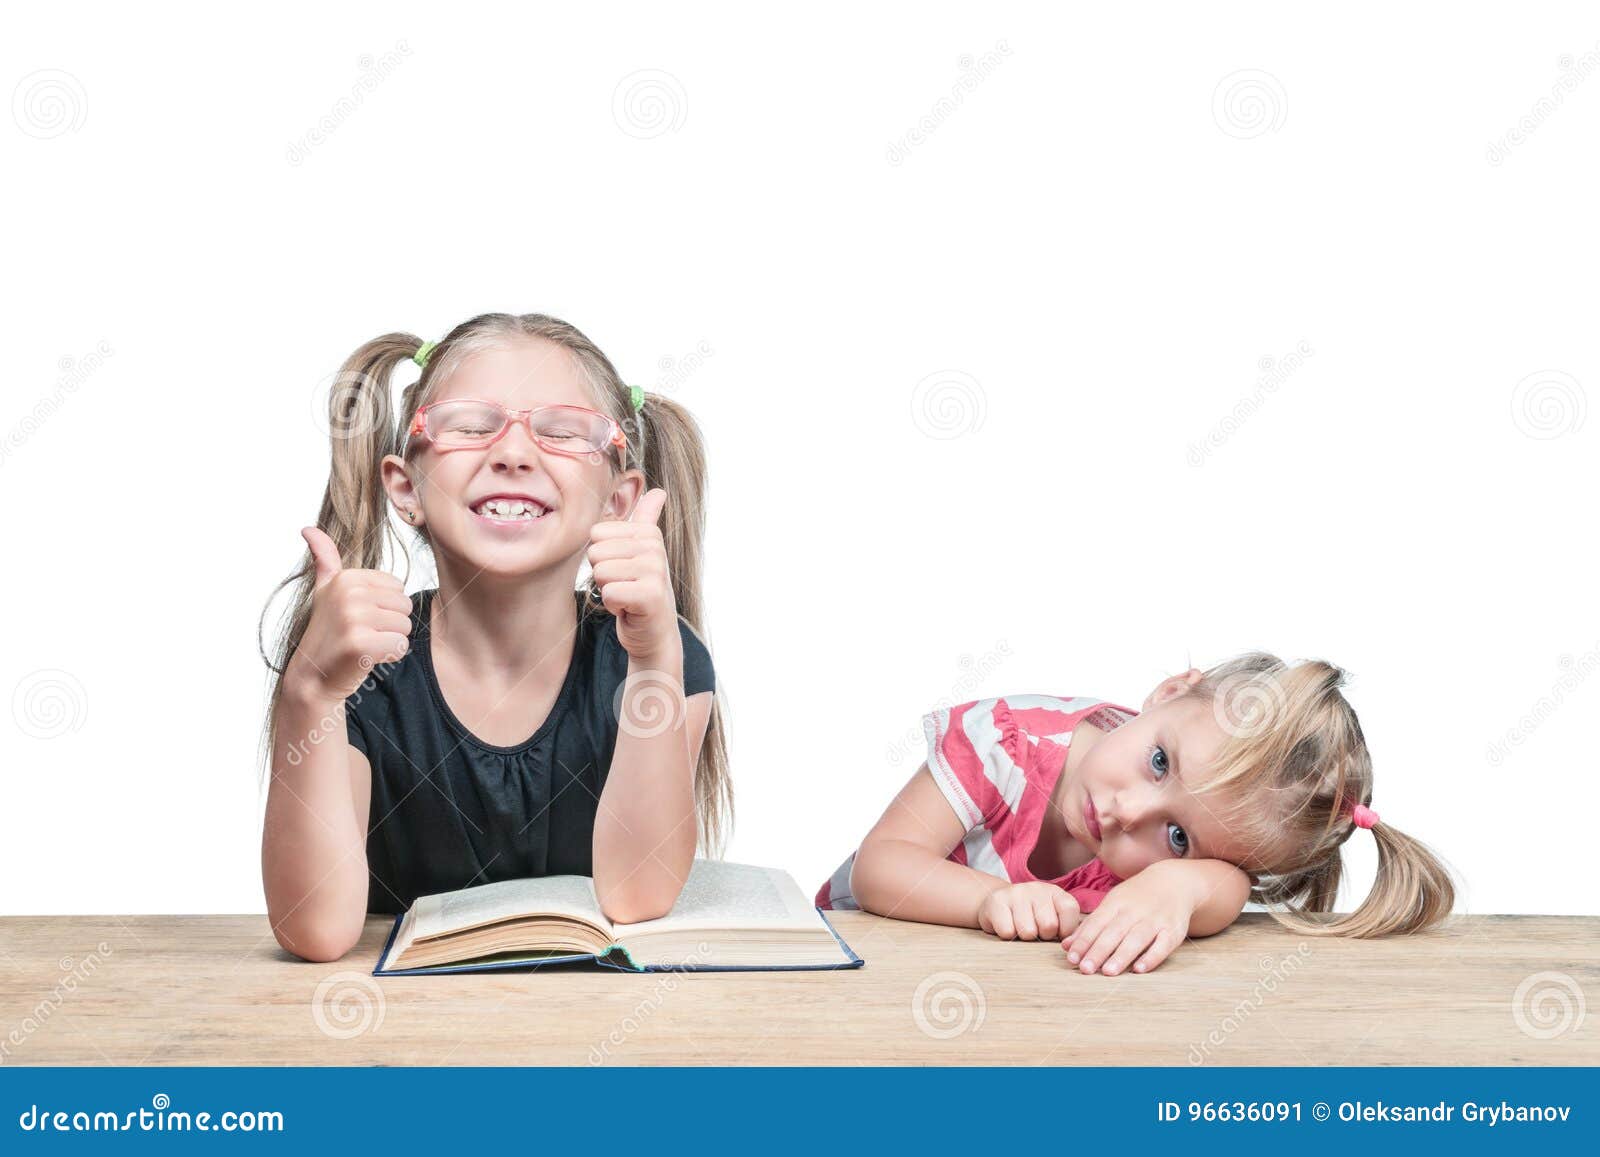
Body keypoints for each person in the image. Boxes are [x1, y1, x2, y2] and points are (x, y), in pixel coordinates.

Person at [258, 312, 729, 962]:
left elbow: (637, 895)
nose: (512, 452)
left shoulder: (662, 659)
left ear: (617, 501)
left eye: (562, 431)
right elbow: (316, 930)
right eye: (471, 426)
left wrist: (654, 662)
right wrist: (307, 691)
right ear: (404, 487)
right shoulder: (358, 668)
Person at [823, 653, 1457, 975]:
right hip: (847, 966)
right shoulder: (1005, 743)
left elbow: (1225, 890)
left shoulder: (1178, 868)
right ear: (1170, 693)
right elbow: (880, 866)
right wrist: (987, 901)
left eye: (1179, 837)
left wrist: (1180, 884)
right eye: (1159, 762)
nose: (1129, 813)